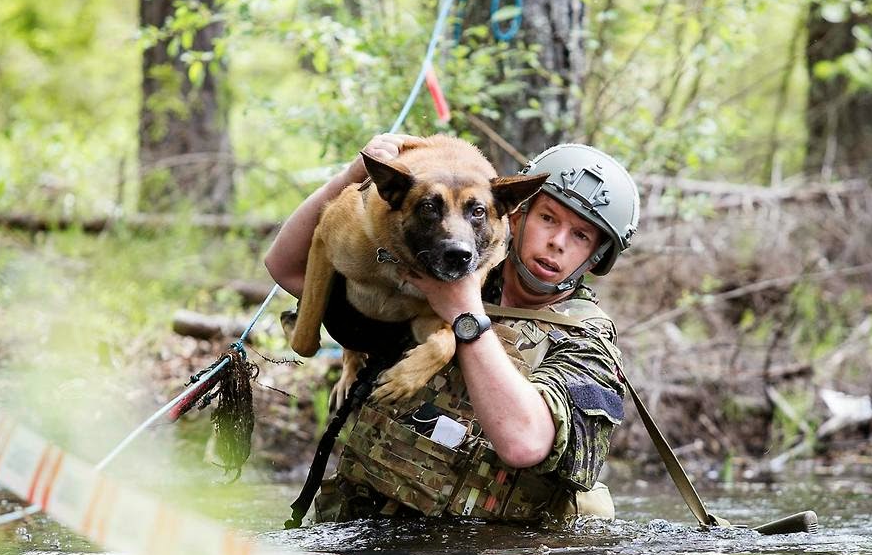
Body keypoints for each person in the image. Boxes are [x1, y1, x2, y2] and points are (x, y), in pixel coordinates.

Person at [264, 133, 640, 524]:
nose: (558, 243)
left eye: (580, 235)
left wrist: (465, 318)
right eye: (548, 219)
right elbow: (288, 268)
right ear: (517, 214)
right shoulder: (438, 263)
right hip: (366, 532)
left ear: (596, 257)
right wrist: (353, 175)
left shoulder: (586, 340)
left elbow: (525, 443)